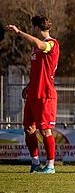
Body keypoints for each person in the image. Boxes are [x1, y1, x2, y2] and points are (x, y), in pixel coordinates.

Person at [6, 16, 60, 174]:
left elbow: (39, 44)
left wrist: (19, 32)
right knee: (29, 129)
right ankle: (35, 163)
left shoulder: (52, 43)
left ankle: (50, 165)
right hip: (33, 93)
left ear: (36, 28)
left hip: (45, 94)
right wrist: (29, 86)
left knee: (45, 130)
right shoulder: (35, 49)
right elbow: (38, 71)